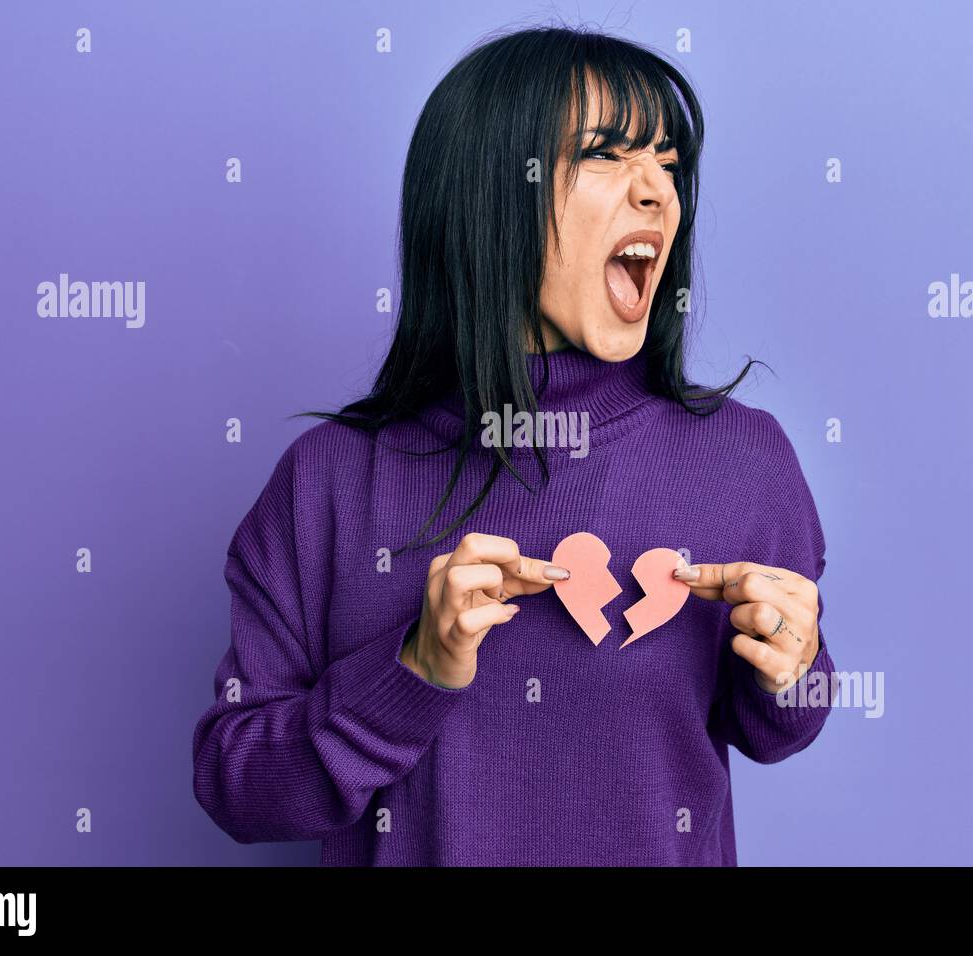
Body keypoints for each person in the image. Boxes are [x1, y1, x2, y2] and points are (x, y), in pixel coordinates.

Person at [192, 23, 835, 866]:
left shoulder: (744, 462)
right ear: (494, 192)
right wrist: (411, 671)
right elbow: (236, 788)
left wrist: (795, 669)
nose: (657, 193)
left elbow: (779, 730)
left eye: (668, 166)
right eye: (608, 155)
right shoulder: (329, 483)